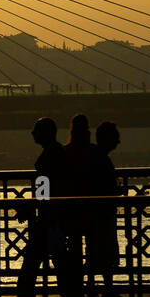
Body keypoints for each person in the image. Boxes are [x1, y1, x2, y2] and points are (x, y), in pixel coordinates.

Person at [16, 118, 77, 297]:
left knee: (35, 256)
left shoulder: (49, 157)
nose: (32, 133)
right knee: (56, 256)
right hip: (56, 215)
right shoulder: (57, 153)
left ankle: (25, 294)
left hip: (50, 217)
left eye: (36, 130)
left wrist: (35, 208)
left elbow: (45, 191)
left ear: (45, 133)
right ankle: (69, 292)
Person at [87, 121, 122, 297]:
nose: (118, 142)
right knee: (105, 249)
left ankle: (93, 285)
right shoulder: (102, 159)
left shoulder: (94, 156)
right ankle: (107, 287)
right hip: (103, 213)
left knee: (95, 249)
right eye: (116, 138)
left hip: (95, 213)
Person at [62, 114, 98, 280]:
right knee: (92, 247)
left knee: (74, 246)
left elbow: (48, 180)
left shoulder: (65, 152)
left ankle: (76, 283)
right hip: (90, 208)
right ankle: (91, 281)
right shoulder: (93, 152)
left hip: (71, 208)